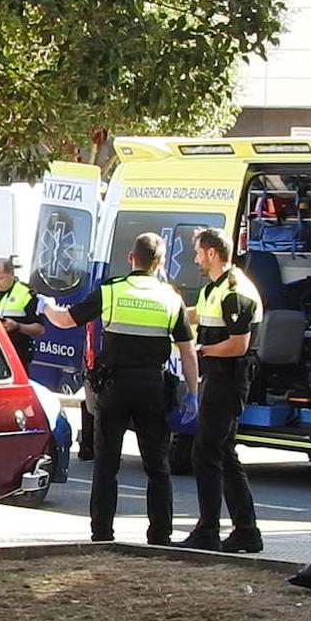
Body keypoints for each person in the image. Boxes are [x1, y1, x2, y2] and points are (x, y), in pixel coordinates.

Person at [39, 232, 199, 545]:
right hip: (153, 386)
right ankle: (160, 535)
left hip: (114, 386)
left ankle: (102, 533)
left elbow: (65, 320)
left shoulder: (111, 291)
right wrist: (192, 392)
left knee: (106, 464)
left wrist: (46, 307)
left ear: (131, 258)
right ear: (161, 262)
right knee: (157, 466)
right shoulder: (171, 298)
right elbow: (188, 350)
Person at [175, 228, 264, 553]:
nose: (196, 258)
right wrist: (171, 310)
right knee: (222, 452)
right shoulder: (215, 288)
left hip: (228, 377)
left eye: (198, 252)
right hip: (219, 377)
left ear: (212, 253)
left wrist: (201, 351)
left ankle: (209, 530)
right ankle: (245, 530)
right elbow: (200, 313)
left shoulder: (234, 291)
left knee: (207, 451)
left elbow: (238, 345)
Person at [0, 258, 44, 367]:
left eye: (0, 278)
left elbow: (39, 329)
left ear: (11, 274)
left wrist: (17, 326)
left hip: (16, 356)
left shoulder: (26, 294)